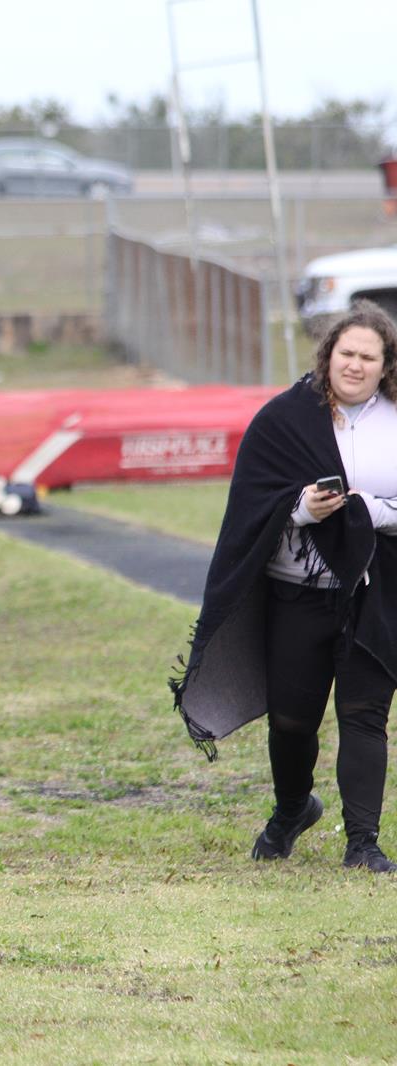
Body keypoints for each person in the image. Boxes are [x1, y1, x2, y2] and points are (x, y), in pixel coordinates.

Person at [174, 301, 397, 873]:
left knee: (364, 714)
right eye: (346, 353)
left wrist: (373, 511)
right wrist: (299, 507)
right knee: (292, 718)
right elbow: (252, 501)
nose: (355, 365)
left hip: (374, 592)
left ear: (385, 364)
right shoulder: (283, 418)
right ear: (328, 357)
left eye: (368, 357)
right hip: (298, 590)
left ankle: (363, 843)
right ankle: (293, 809)